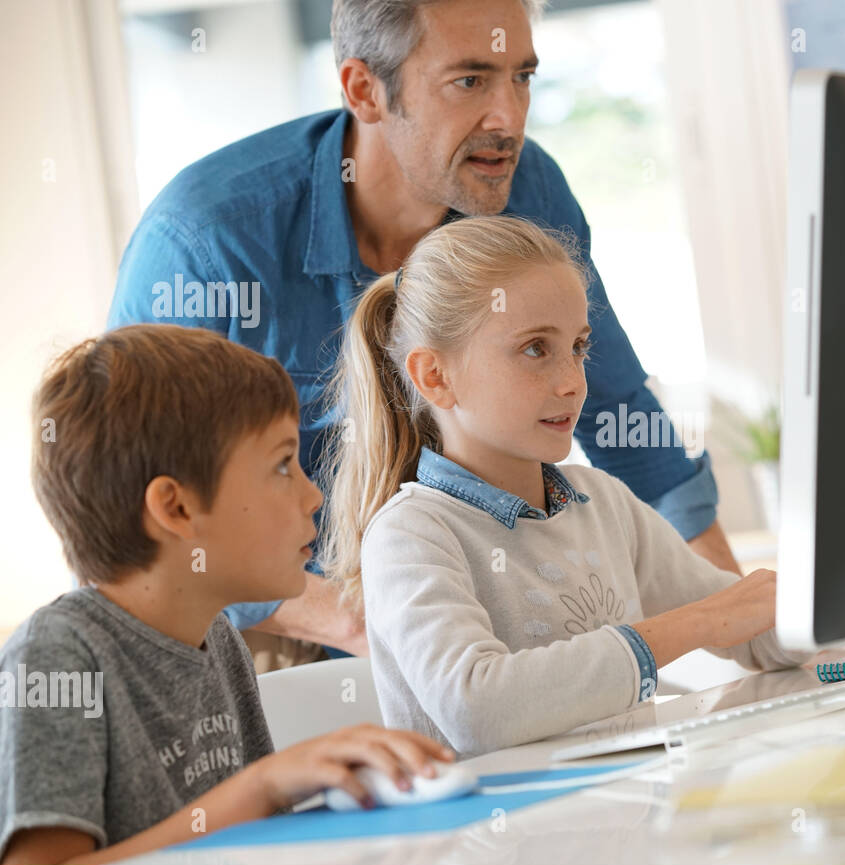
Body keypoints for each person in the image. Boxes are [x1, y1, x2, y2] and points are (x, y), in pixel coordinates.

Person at [106, 0, 741, 661]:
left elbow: (618, 415)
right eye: (470, 80)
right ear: (364, 89)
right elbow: (133, 517)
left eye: (521, 76)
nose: (509, 119)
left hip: (463, 596)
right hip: (266, 623)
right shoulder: (206, 242)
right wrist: (366, 618)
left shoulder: (528, 193)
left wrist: (737, 610)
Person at [317, 215, 810, 757]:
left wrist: (837, 609)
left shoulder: (605, 503)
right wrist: (697, 624)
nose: (573, 380)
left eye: (578, 346)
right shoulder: (410, 535)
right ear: (435, 375)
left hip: (628, 819)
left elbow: (749, 631)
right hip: (500, 838)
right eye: (535, 349)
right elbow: (478, 710)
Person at [0, 325, 455, 865]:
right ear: (177, 509)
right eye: (283, 464)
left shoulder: (217, 637)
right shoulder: (56, 655)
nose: (313, 496)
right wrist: (262, 788)